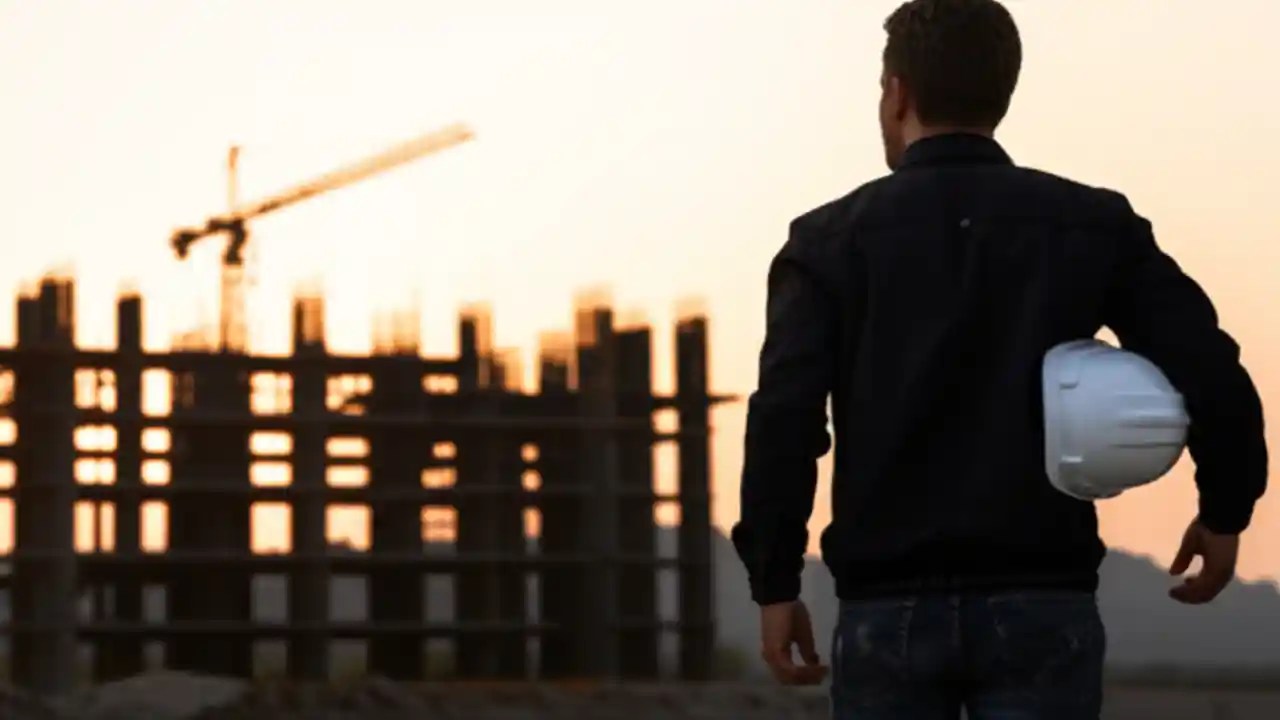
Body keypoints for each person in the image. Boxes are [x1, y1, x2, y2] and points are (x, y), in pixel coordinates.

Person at [729, 0, 1269, 717]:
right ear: (1002, 91)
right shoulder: (1092, 225)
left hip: (886, 609)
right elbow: (1208, 366)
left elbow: (785, 422)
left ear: (897, 94)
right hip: (1043, 599)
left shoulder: (827, 242)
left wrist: (775, 580)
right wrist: (1226, 506)